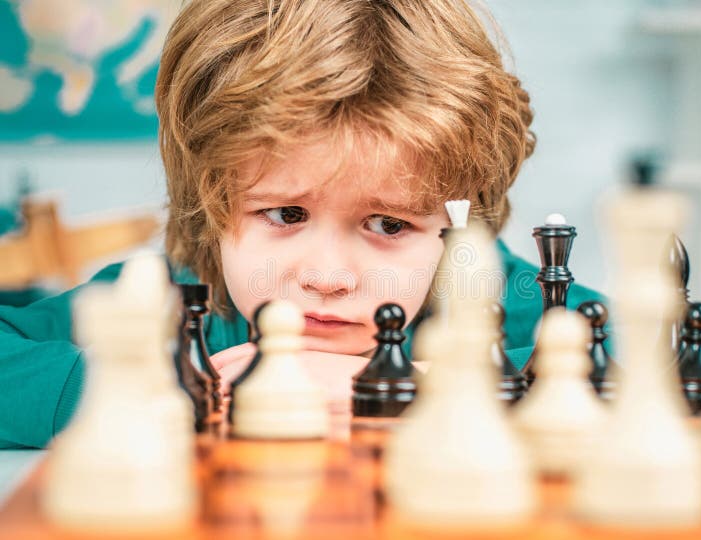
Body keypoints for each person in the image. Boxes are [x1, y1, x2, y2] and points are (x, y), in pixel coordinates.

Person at [0, 0, 604, 449]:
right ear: (210, 203)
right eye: (286, 214)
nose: (327, 276)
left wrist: (449, 385)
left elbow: (656, 343)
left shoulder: (490, 293)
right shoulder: (172, 300)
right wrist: (147, 389)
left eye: (389, 225)